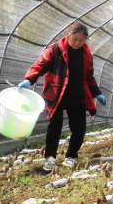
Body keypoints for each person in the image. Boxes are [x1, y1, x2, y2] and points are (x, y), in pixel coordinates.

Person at [18, 22, 107, 171]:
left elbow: (89, 77)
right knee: (56, 123)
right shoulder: (55, 49)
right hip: (56, 92)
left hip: (77, 92)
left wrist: (97, 93)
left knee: (79, 128)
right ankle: (50, 157)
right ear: (68, 35)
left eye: (81, 40)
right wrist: (29, 79)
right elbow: (41, 65)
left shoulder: (86, 54)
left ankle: (71, 156)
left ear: (85, 40)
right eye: (74, 39)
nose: (77, 43)